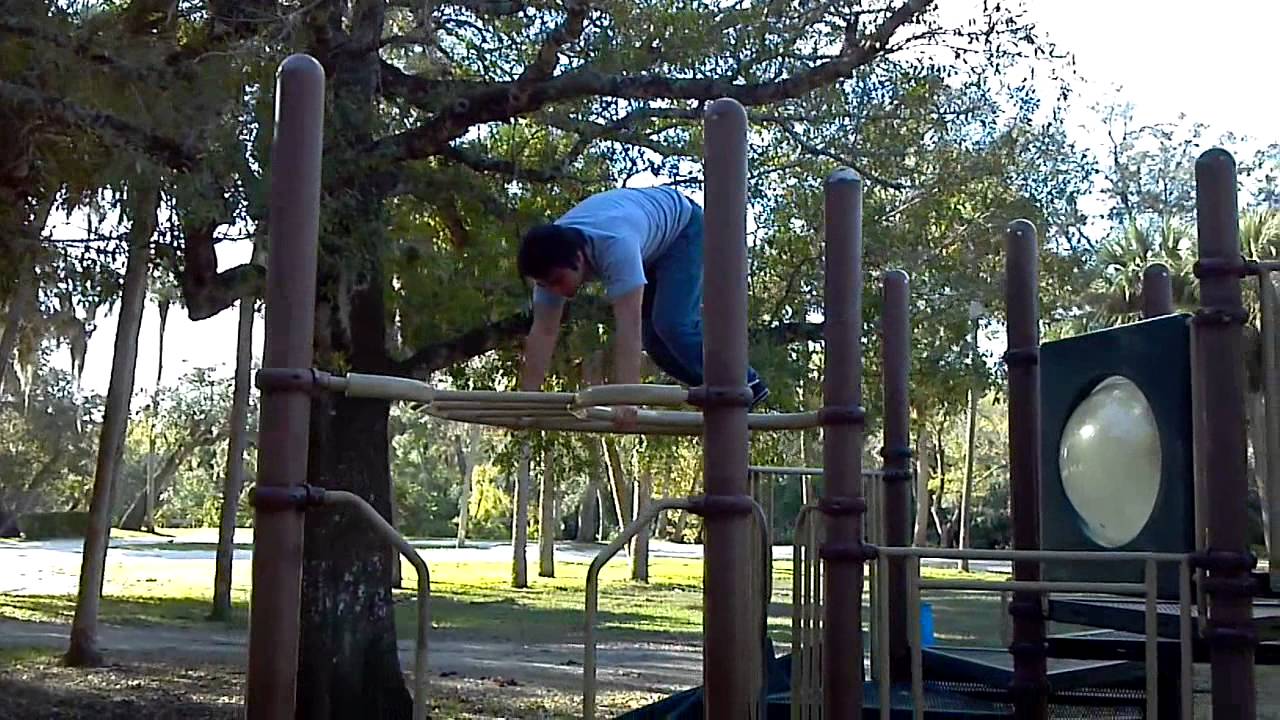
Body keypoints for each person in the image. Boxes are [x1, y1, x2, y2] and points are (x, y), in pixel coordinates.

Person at [516, 185, 769, 429]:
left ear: (578, 258)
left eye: (558, 281)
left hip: (682, 227)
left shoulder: (615, 246)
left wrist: (627, 400)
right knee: (655, 343)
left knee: (672, 324)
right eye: (546, 285)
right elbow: (543, 332)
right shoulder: (548, 267)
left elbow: (628, 325)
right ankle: (711, 391)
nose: (555, 290)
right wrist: (526, 403)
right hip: (646, 239)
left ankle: (746, 382)